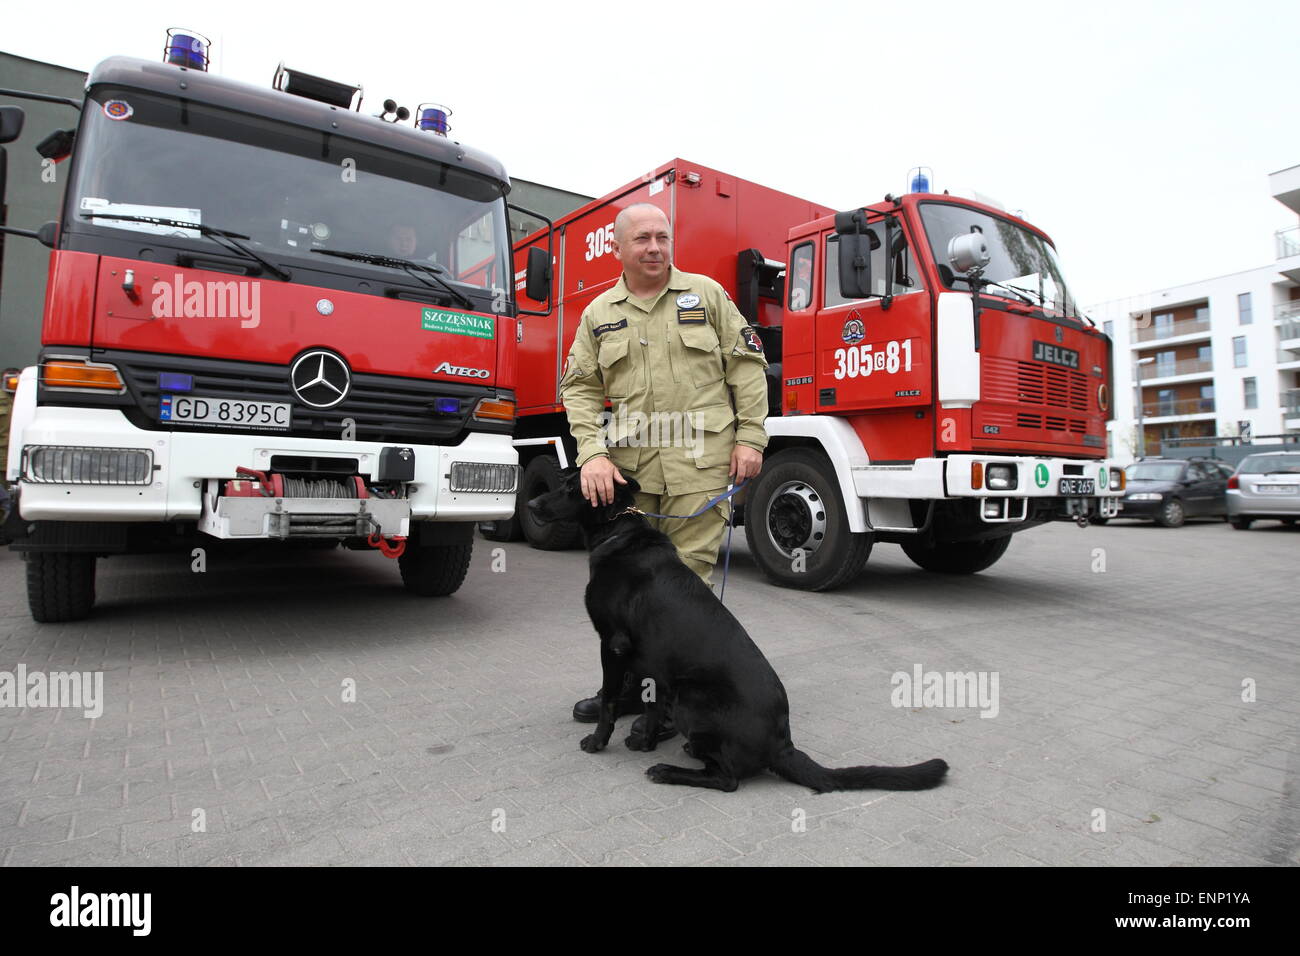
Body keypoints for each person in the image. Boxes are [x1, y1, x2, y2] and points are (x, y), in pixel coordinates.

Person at [560, 203, 769, 732]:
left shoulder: (708, 295)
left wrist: (751, 436)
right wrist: (591, 452)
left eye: (662, 237)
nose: (654, 247)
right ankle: (631, 690)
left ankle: (676, 698)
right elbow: (580, 388)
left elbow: (746, 366)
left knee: (684, 587)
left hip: (700, 464)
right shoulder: (599, 313)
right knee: (628, 589)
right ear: (619, 248)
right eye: (642, 239)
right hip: (631, 473)